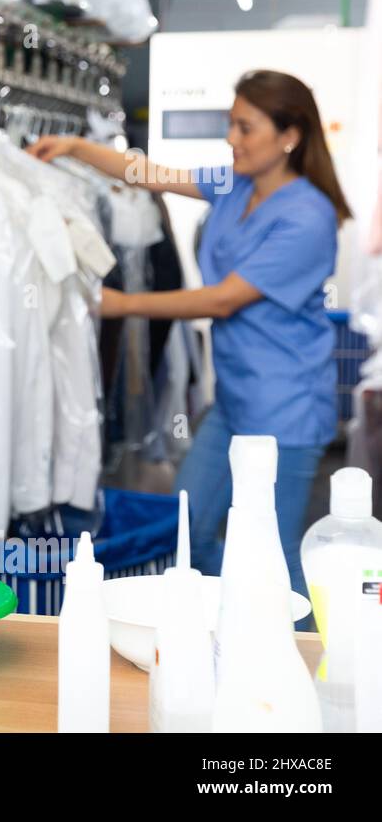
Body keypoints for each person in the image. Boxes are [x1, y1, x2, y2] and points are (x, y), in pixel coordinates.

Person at [28, 69, 351, 608]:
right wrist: (78, 148)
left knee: (277, 551)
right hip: (234, 401)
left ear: (289, 136)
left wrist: (122, 305)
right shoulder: (235, 185)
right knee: (189, 532)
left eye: (245, 128)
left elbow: (223, 299)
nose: (232, 139)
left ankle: (297, 663)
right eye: (231, 124)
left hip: (287, 408)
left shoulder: (308, 216)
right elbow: (149, 174)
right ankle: (238, 622)